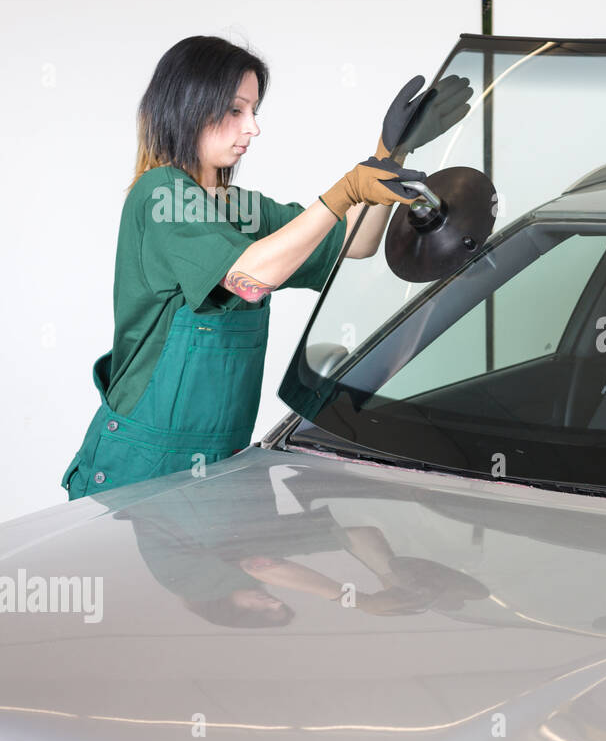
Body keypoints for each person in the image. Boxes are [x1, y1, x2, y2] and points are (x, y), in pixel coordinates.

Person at [61, 35, 468, 500]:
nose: (252, 128)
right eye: (236, 110)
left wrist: (389, 156)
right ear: (189, 106)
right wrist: (346, 190)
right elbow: (252, 276)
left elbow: (357, 241)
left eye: (254, 111)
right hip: (140, 467)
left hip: (217, 470)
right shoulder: (161, 196)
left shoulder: (239, 209)